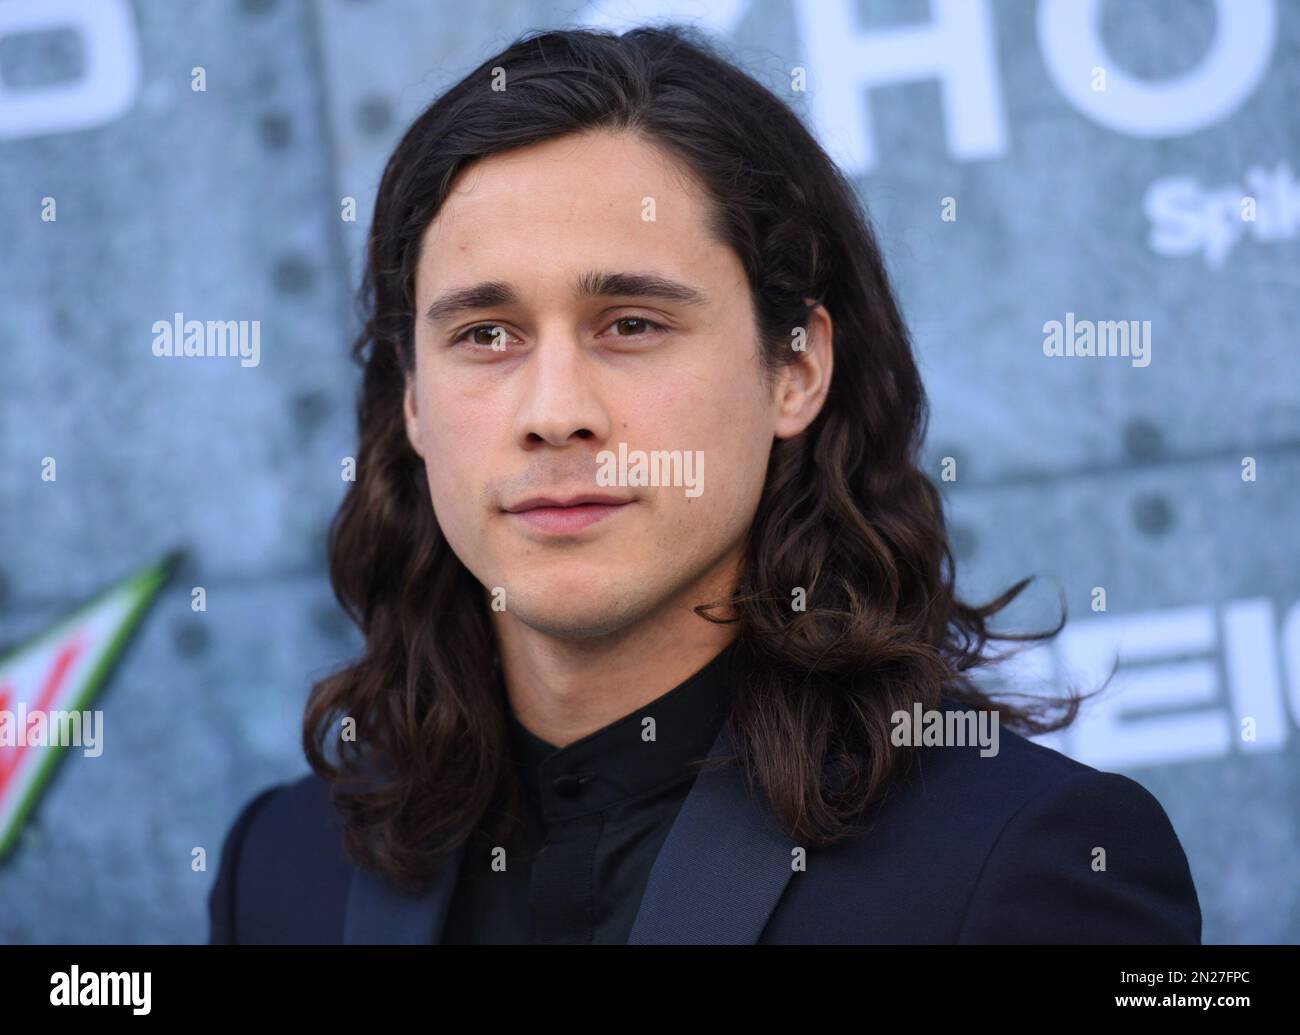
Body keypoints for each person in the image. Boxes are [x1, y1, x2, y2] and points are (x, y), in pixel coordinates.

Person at [208, 24, 1200, 945]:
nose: (554, 411)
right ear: (411, 397)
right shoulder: (282, 873)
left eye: (631, 323)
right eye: (486, 334)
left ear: (796, 370)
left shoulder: (1021, 864)